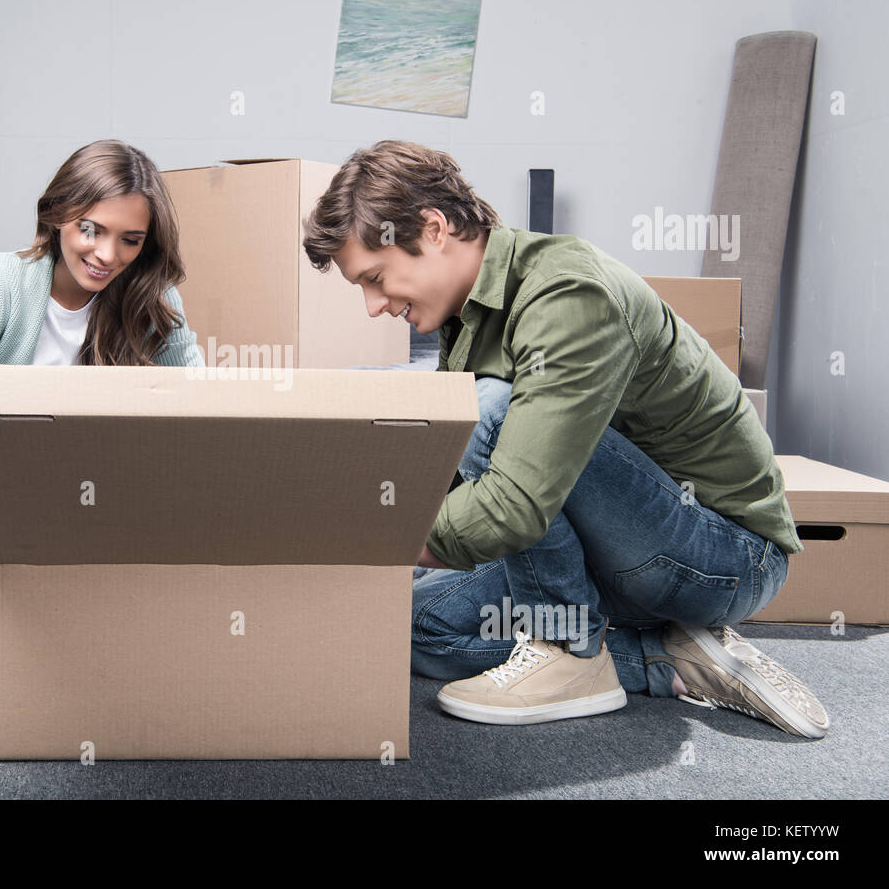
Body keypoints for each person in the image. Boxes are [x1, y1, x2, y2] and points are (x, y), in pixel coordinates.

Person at [302, 139, 829, 738]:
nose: (373, 306)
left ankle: (567, 650)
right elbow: (465, 481)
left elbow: (515, 502)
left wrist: (376, 542)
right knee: (412, 622)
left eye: (375, 278)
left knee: (493, 408)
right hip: (615, 551)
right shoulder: (470, 316)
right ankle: (665, 658)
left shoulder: (568, 292)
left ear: (434, 227)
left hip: (723, 556)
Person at [0, 140, 203, 655]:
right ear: (57, 215)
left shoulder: (152, 299)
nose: (107, 256)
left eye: (131, 240)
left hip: (81, 475)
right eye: (91, 230)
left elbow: (195, 405)